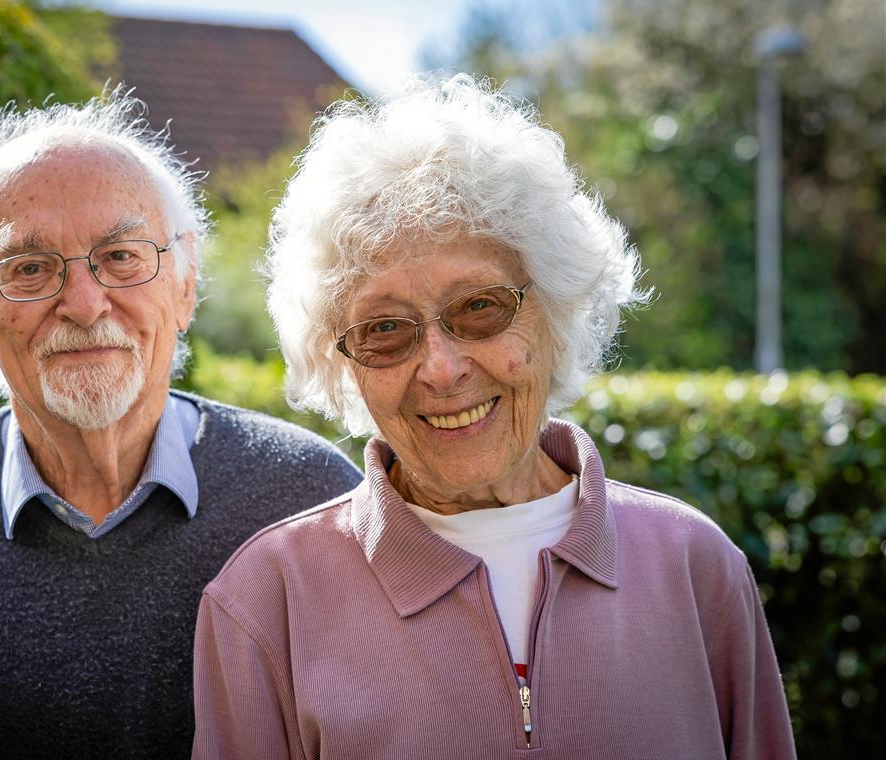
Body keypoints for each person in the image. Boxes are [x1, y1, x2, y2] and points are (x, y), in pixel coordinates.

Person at [192, 75, 796, 759]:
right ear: (344, 361)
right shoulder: (266, 602)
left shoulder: (695, 567)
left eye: (481, 307)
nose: (442, 368)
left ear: (557, 310)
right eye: (386, 328)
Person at [0, 88, 361, 759]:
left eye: (121, 257)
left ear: (185, 287)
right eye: (29, 268)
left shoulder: (314, 503)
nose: (83, 304)